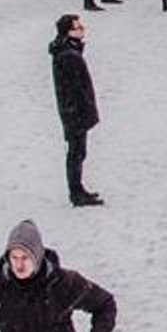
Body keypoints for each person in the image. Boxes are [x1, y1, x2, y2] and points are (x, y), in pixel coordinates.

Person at [49, 14, 102, 206]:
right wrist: (83, 110)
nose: (82, 30)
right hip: (75, 113)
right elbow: (75, 88)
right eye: (78, 28)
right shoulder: (68, 55)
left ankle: (78, 188)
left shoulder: (68, 51)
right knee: (76, 152)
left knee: (78, 152)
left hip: (74, 111)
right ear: (68, 32)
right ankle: (76, 191)